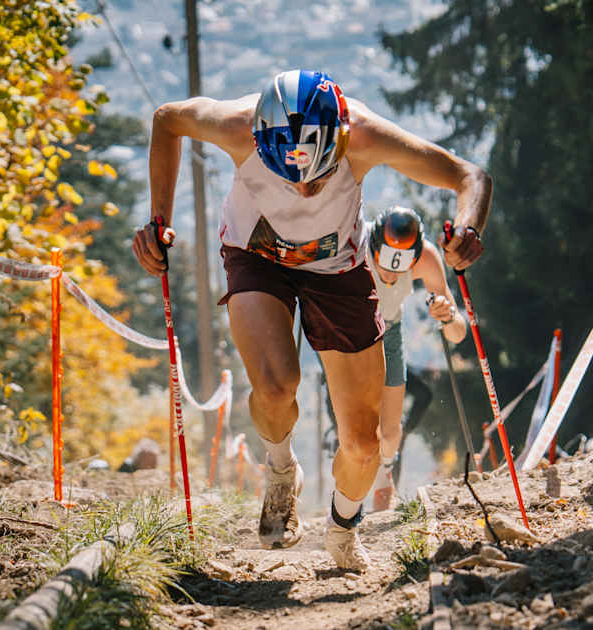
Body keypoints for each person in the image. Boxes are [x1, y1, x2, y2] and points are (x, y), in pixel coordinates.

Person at [132, 69, 491, 570]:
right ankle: (281, 471)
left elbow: (470, 177)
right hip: (256, 256)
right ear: (259, 142)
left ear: (342, 142)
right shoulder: (236, 124)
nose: (304, 190)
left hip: (337, 268)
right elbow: (167, 120)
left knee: (363, 443)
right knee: (276, 385)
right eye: (289, 176)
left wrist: (468, 229)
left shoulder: (366, 134)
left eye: (318, 177)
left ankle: (342, 528)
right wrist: (158, 220)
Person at [363, 207, 467, 511]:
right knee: (357, 425)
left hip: (390, 329)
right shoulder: (356, 244)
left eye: (401, 267)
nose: (391, 275)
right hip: (349, 329)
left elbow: (458, 334)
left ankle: (385, 473)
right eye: (384, 264)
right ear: (374, 246)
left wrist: (447, 316)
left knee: (390, 431)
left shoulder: (428, 258)